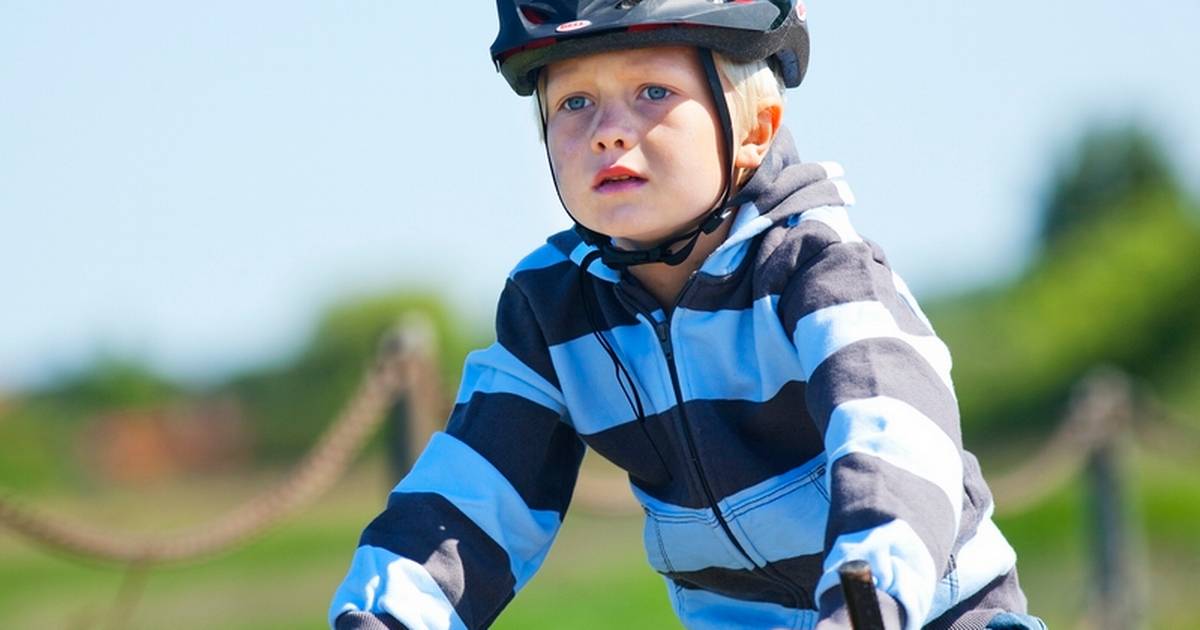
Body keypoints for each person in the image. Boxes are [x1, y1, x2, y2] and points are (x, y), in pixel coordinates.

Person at [330, 2, 1044, 629]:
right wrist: (387, 612)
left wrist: (871, 598)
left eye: (652, 91)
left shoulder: (817, 269)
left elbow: (892, 439)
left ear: (757, 127)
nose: (609, 131)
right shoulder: (553, 308)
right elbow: (471, 496)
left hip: (926, 612)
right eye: (574, 103)